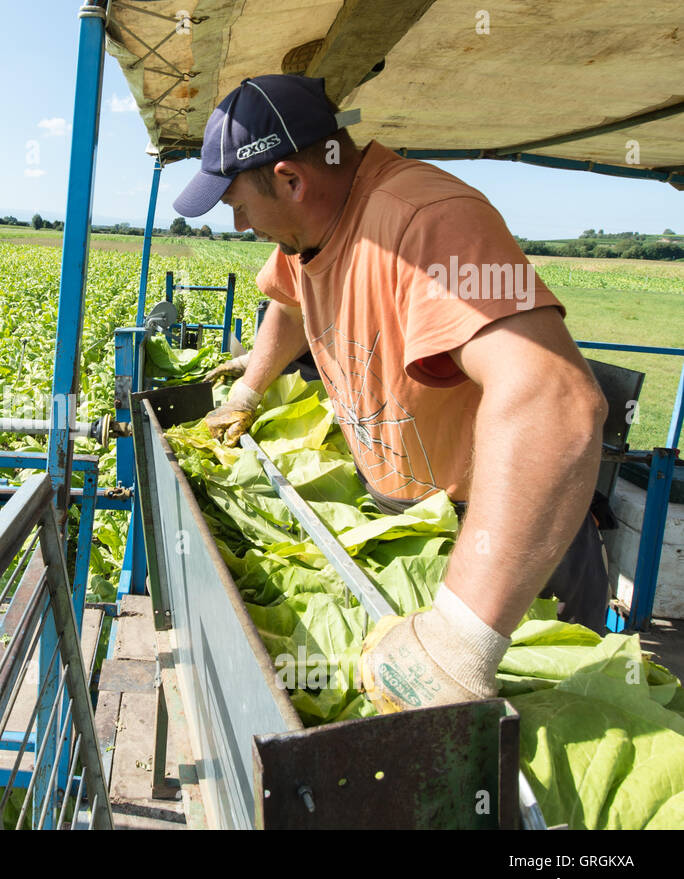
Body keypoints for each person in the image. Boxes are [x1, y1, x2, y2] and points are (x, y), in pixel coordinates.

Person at [173, 74, 609, 713]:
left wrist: (462, 638)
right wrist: (246, 389)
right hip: (412, 520)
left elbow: (557, 399)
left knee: (524, 761)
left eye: (237, 204)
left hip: (500, 543)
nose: (238, 224)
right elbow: (290, 303)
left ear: (292, 180)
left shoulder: (424, 221)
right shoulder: (310, 231)